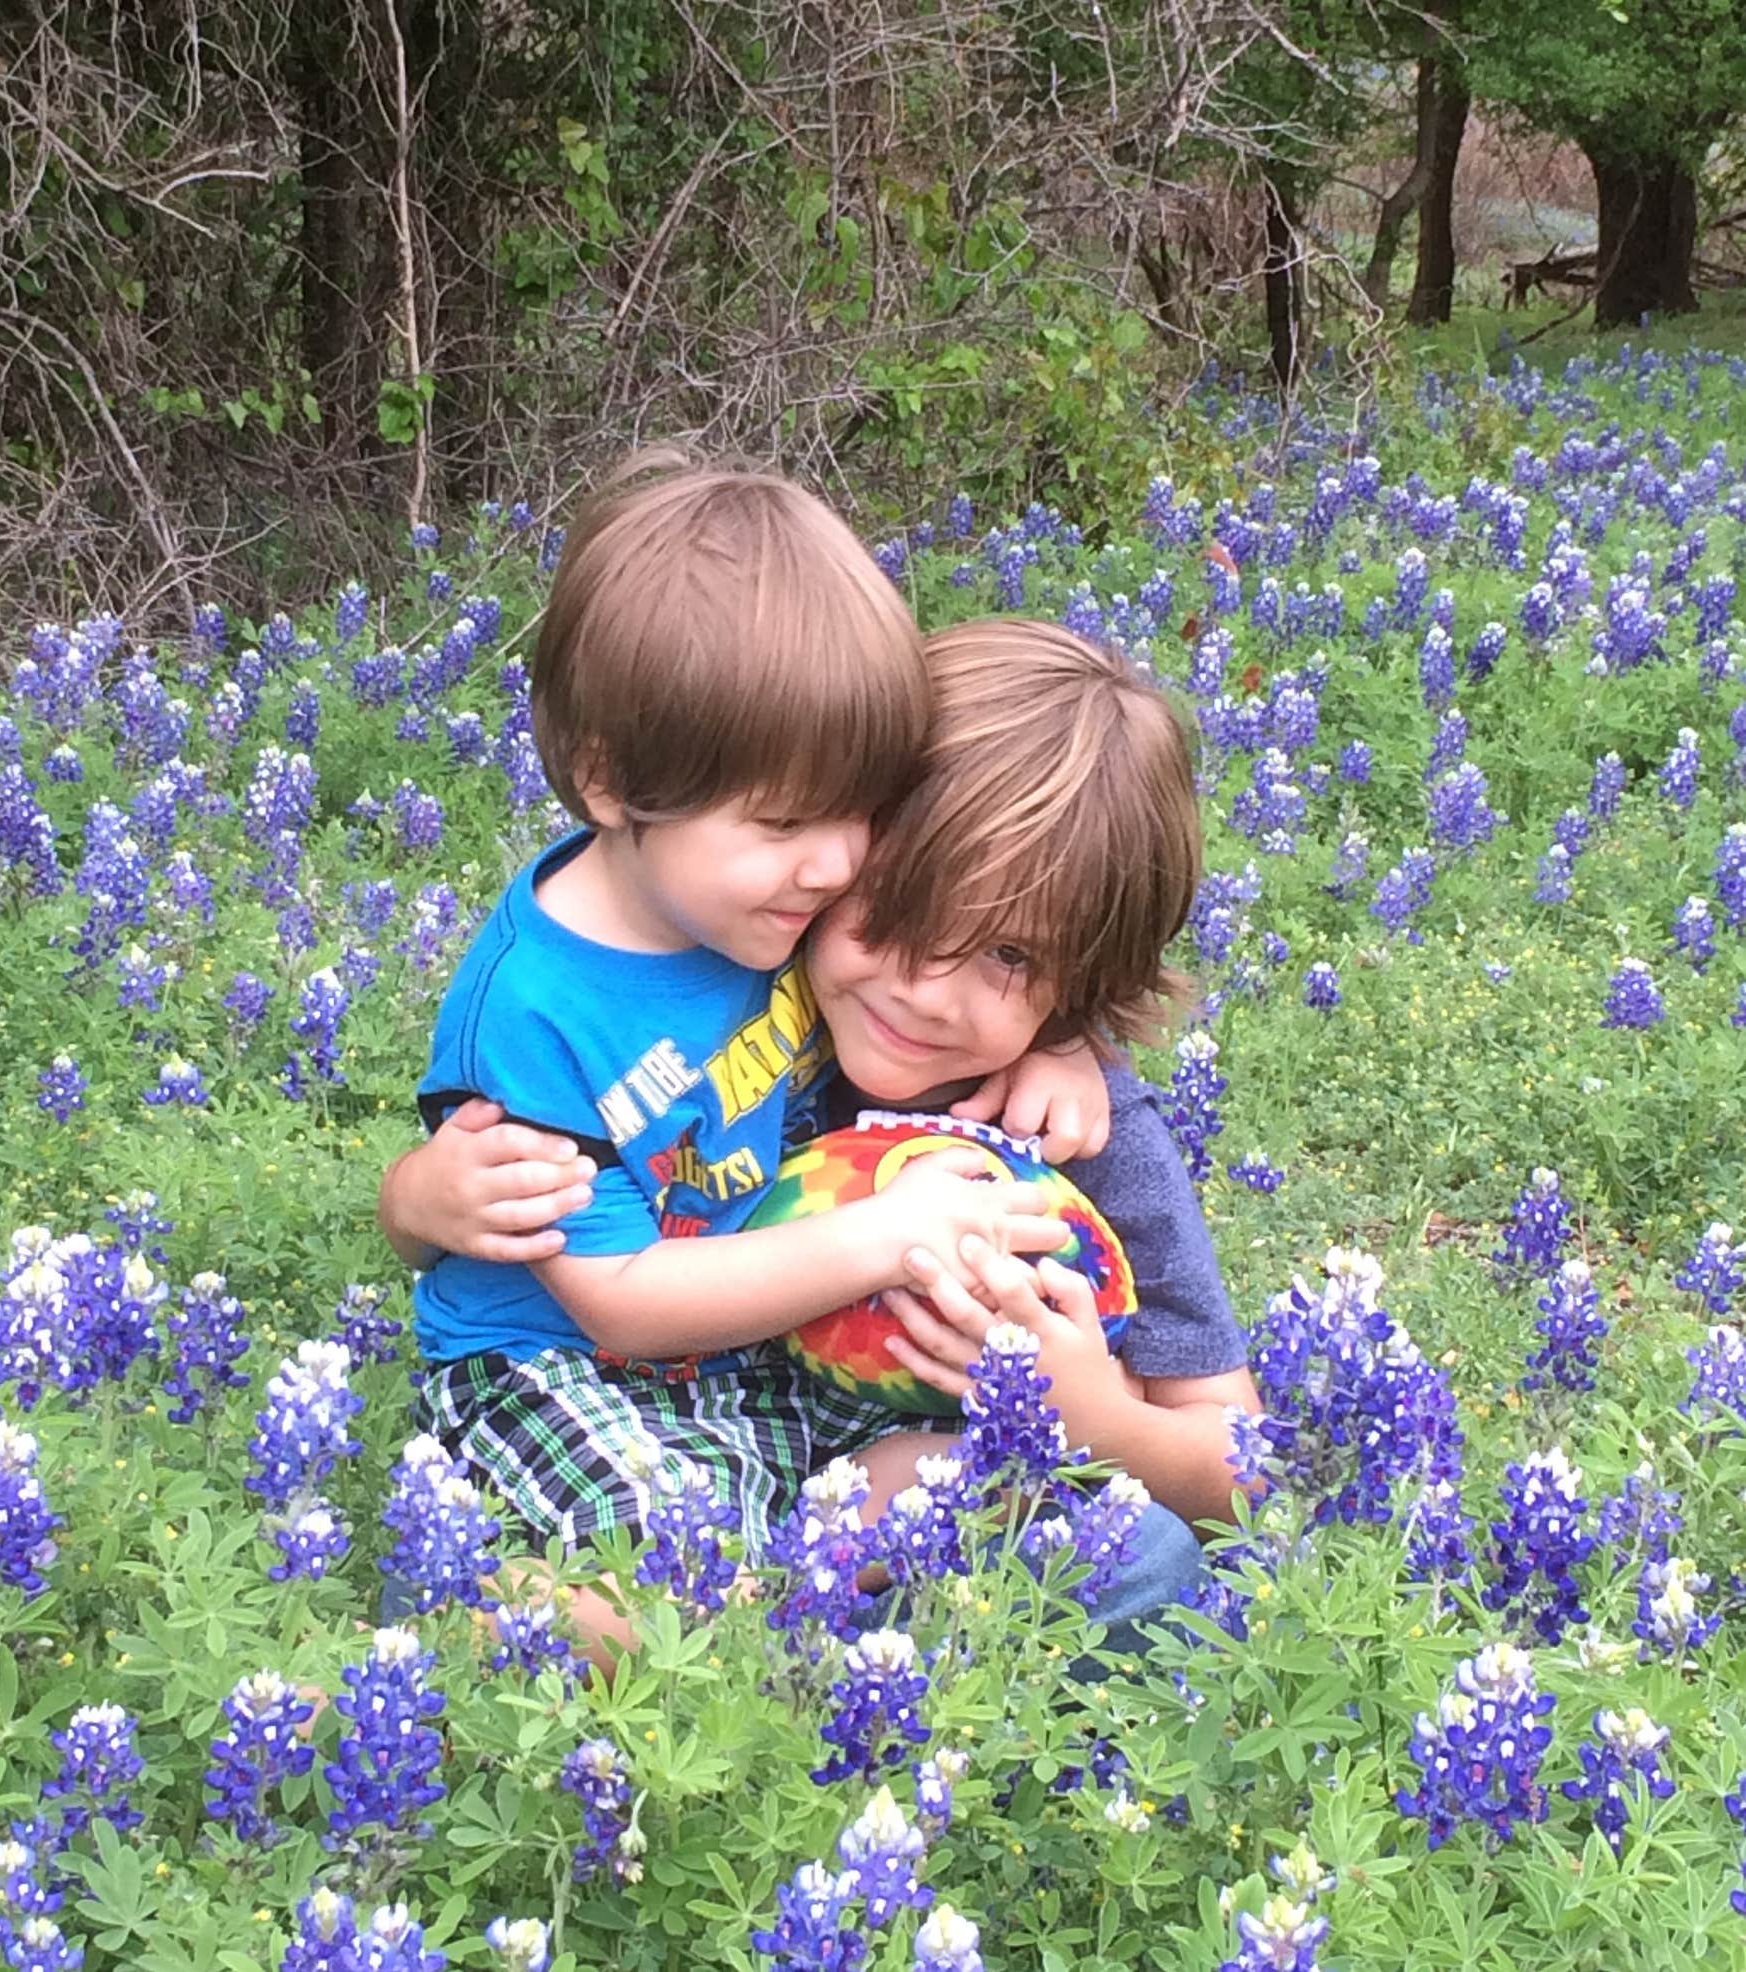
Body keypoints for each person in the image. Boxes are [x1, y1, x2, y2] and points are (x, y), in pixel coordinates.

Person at [394, 616, 1261, 1634]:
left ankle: (778, 1624)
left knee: (1124, 1541)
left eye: (1010, 959)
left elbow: (1245, 1463)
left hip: (843, 1453)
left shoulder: (1082, 1134)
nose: (924, 992)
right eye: (893, 905)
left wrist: (1096, 1417)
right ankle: (493, 1647)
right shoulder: (754, 988)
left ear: (1085, 979)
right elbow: (555, 1167)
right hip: (671, 1402)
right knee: (673, 1588)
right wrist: (412, 1197)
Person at [386, 455, 1108, 1569]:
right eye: (780, 823)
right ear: (610, 778)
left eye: (854, 812)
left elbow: (969, 955)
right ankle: (557, 1616)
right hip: (567, 1367)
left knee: (1010, 1457)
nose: (831, 866)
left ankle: (785, 1583)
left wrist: (1066, 1041)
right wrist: (884, 1234)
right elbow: (619, 1303)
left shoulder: (762, 913)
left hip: (763, 1338)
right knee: (653, 1563)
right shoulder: (532, 1010)